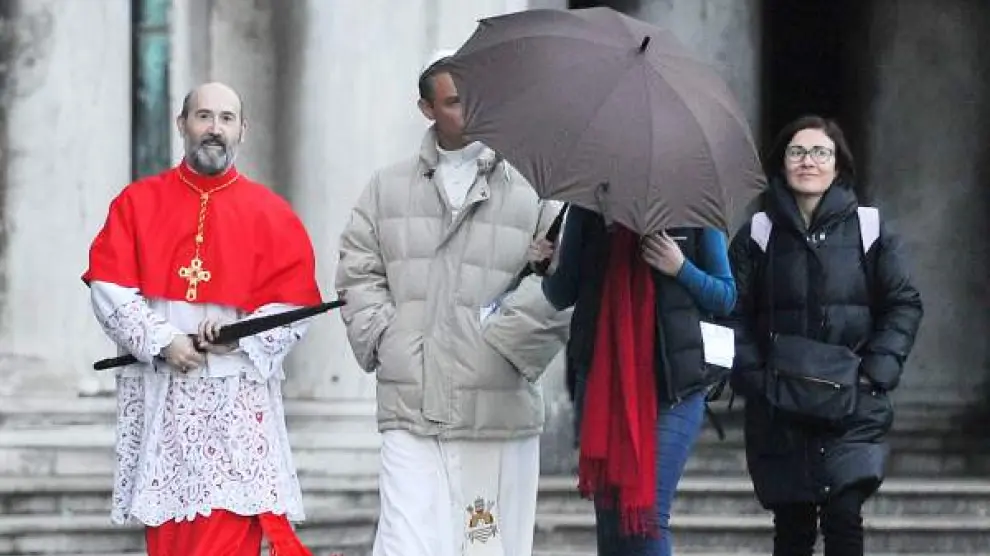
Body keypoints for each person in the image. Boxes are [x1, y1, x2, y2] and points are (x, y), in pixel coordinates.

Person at [334, 51, 570, 556]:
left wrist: (508, 344)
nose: (474, 109)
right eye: (457, 101)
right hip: (411, 400)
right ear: (427, 109)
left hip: (497, 405)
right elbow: (358, 270)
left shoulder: (537, 187)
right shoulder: (387, 186)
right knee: (405, 544)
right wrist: (385, 338)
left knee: (487, 546)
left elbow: (566, 283)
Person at [83, 82, 321, 556]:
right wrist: (162, 340)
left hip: (234, 407)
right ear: (182, 125)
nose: (215, 129)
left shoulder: (271, 213)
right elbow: (108, 288)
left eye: (227, 118)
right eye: (204, 116)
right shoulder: (137, 203)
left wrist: (239, 341)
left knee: (229, 533)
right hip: (163, 403)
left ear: (242, 131)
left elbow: (295, 306)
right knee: (171, 540)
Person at [727, 115, 923, 556]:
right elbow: (730, 311)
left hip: (852, 402)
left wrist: (876, 373)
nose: (808, 162)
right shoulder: (757, 235)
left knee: (844, 517)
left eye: (821, 152)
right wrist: (757, 379)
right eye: (797, 152)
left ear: (839, 165)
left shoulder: (870, 230)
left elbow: (903, 304)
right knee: (793, 527)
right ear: (781, 163)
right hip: (781, 405)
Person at [533, 204, 737, 556]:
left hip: (674, 386)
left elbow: (726, 295)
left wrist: (681, 268)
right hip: (602, 383)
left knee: (645, 518)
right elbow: (562, 293)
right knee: (611, 522)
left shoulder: (695, 204)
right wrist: (546, 266)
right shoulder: (590, 208)